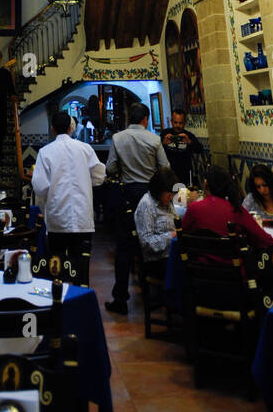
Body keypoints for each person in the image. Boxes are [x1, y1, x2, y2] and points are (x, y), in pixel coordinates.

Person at [104, 102, 169, 314]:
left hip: (127, 196)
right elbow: (165, 168)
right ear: (145, 120)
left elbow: (110, 167)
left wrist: (126, 168)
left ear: (129, 118)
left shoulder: (118, 138)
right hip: (149, 195)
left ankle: (120, 299)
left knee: (124, 248)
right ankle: (155, 293)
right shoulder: (154, 139)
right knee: (150, 240)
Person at [31, 110, 105, 266]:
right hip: (82, 217)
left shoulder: (45, 152)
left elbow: (39, 186)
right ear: (71, 128)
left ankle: (59, 289)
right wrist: (84, 182)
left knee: (56, 265)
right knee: (81, 265)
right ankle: (80, 289)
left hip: (58, 217)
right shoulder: (85, 149)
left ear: (52, 129)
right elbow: (99, 176)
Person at [180, 164, 273, 254]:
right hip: (234, 268)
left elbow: (183, 235)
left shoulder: (194, 208)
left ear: (205, 184)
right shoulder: (236, 210)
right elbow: (265, 241)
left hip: (200, 268)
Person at [133, 166, 187, 274]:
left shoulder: (166, 202)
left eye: (173, 194)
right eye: (169, 194)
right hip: (158, 260)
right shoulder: (147, 205)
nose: (171, 198)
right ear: (159, 190)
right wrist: (172, 235)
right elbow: (147, 243)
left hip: (172, 254)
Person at [162, 109, 204, 185]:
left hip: (186, 176)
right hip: (169, 175)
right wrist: (164, 144)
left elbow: (200, 149)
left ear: (185, 123)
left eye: (180, 123)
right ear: (171, 122)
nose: (178, 125)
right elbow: (157, 153)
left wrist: (189, 142)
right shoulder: (164, 134)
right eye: (175, 122)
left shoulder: (189, 135)